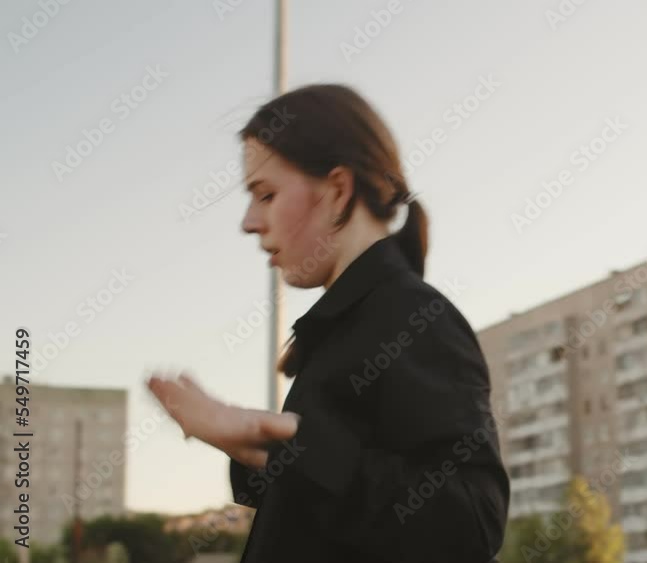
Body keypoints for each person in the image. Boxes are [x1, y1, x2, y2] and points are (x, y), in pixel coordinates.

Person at [146, 84, 509, 562]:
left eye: (266, 194)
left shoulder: (413, 317)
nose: (249, 222)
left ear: (337, 190)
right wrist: (252, 446)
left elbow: (470, 524)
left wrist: (282, 447)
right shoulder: (350, 325)